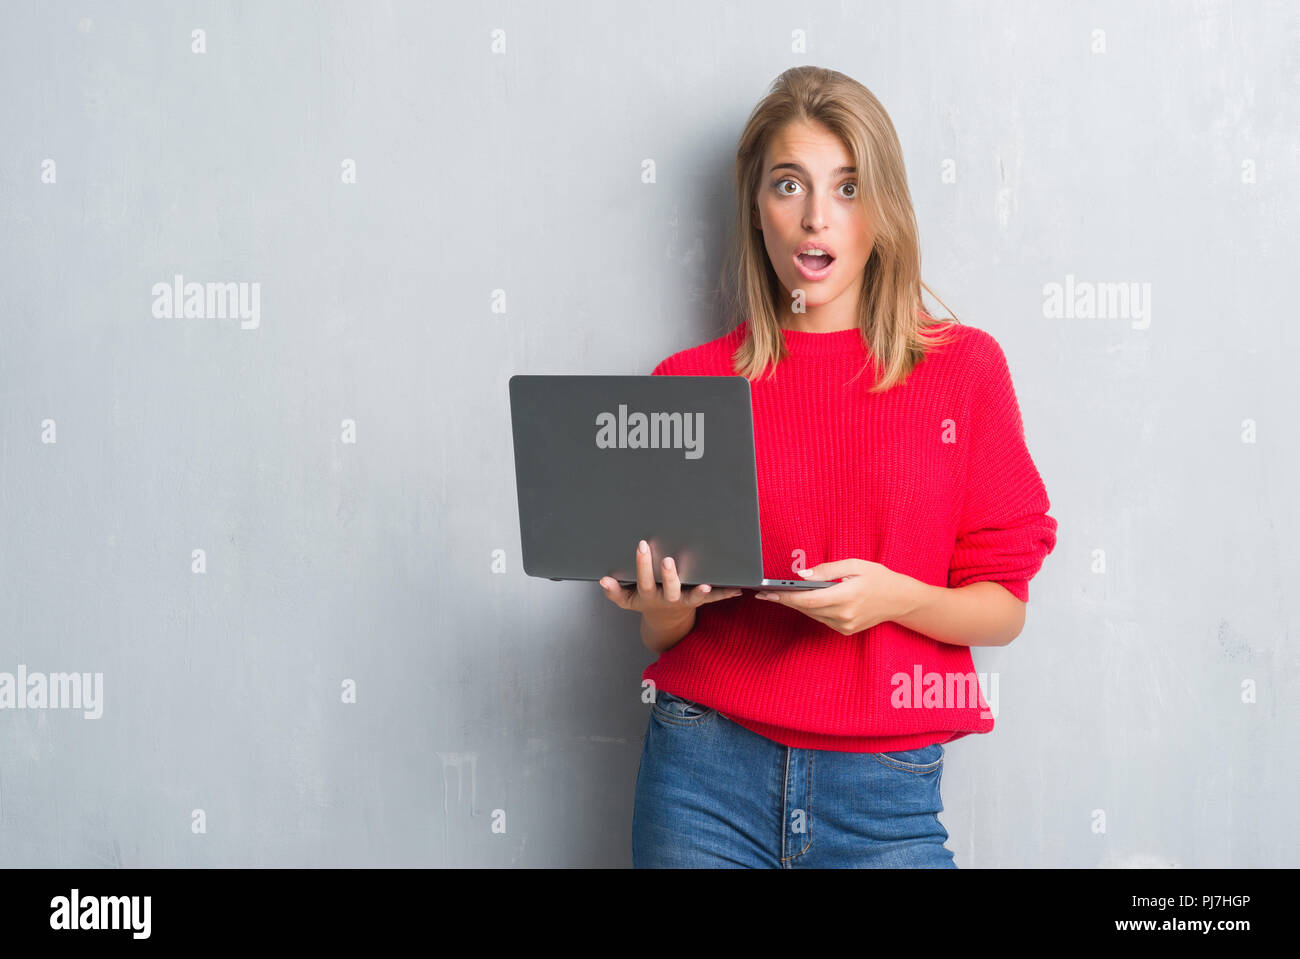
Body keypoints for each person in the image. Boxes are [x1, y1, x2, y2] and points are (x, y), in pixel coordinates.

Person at [598, 66, 1058, 868]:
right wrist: (665, 605)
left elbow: (1003, 610)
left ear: (883, 208)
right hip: (701, 773)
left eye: (848, 188)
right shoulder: (687, 385)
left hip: (884, 789)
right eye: (790, 185)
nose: (817, 218)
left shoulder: (965, 371)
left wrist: (893, 599)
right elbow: (664, 628)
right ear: (756, 206)